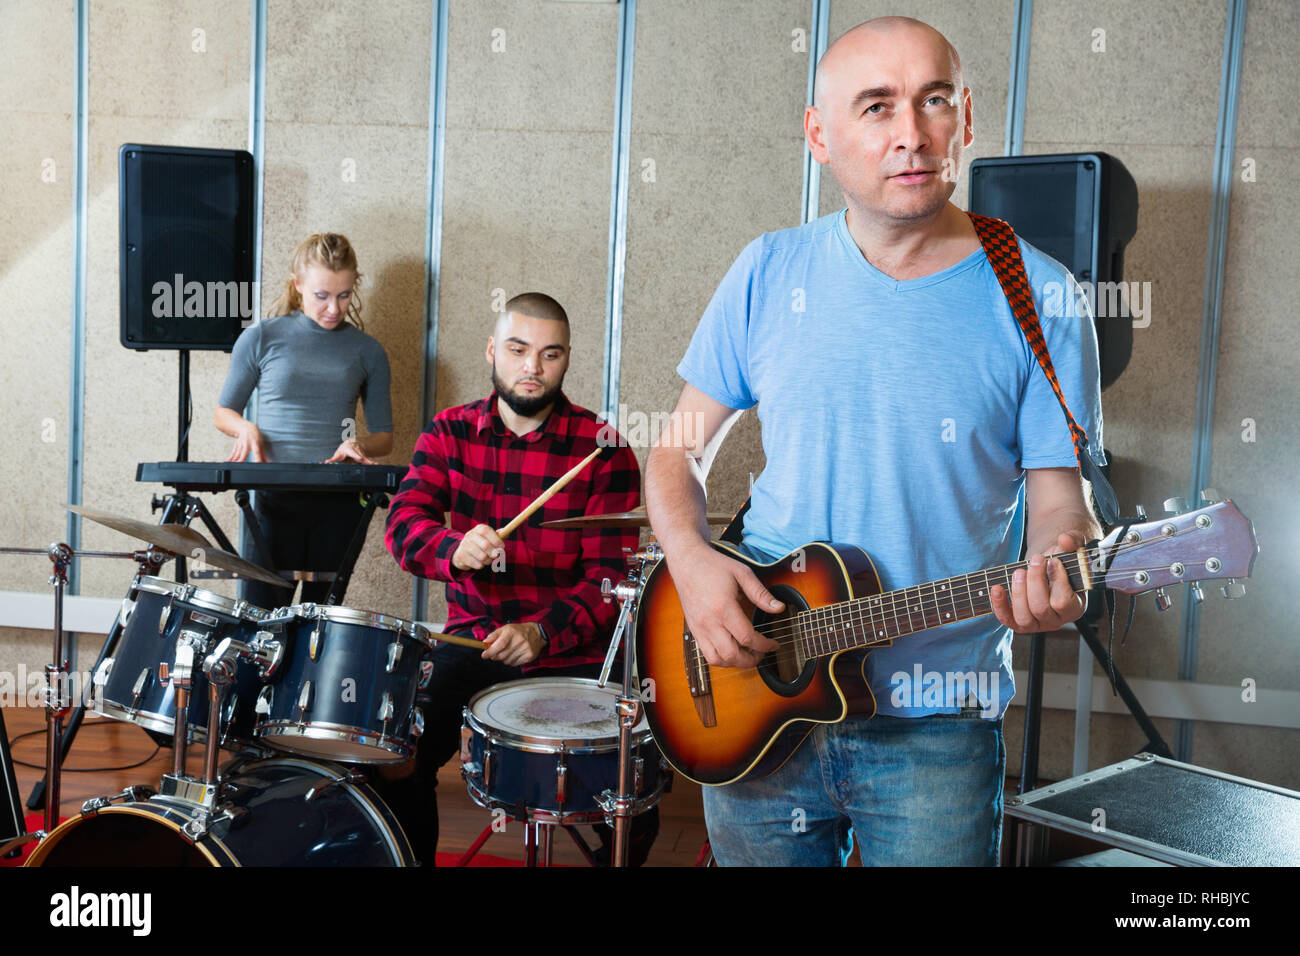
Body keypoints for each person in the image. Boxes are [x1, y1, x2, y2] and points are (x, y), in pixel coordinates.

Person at [644, 17, 1104, 866]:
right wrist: (694, 562)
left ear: (964, 118)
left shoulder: (1046, 298)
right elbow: (673, 454)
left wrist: (1062, 567)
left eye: (933, 101)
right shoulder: (768, 270)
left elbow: (1056, 502)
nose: (911, 134)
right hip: (758, 691)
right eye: (877, 106)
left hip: (937, 729)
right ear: (820, 135)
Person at [380, 292, 659, 866]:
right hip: (471, 639)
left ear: (566, 360)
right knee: (396, 755)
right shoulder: (449, 433)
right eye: (518, 349)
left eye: (549, 354)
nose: (532, 367)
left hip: (574, 651)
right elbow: (403, 527)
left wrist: (542, 632)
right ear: (492, 351)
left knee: (636, 800)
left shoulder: (603, 450)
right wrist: (453, 548)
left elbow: (611, 577)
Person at [214, 232, 393, 610]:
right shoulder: (262, 336)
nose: (334, 308)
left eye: (344, 295)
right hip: (272, 497)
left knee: (320, 625)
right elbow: (222, 412)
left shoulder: (368, 350)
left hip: (339, 500)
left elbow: (385, 438)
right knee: (260, 619)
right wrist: (245, 427)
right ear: (298, 286)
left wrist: (357, 445)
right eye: (322, 296)